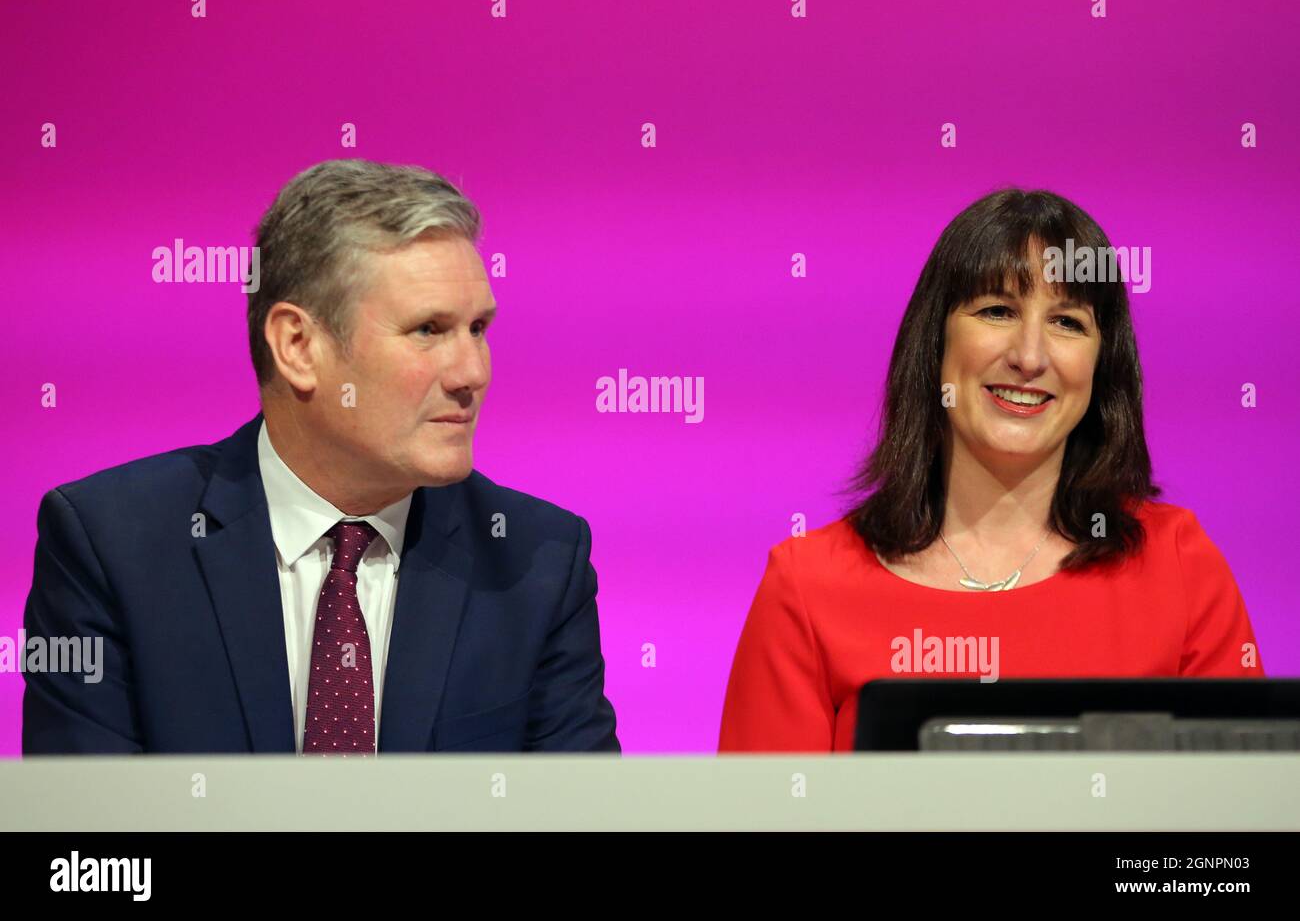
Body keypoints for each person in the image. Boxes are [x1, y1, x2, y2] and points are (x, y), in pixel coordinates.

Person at [24, 159, 620, 754]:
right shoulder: (113, 545)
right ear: (298, 346)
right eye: (428, 330)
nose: (472, 372)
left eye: (478, 328)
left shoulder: (535, 562)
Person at [718, 188, 1265, 752]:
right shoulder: (808, 586)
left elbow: (1235, 825)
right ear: (934, 346)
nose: (1029, 356)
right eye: (997, 311)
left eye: (1068, 322)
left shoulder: (1180, 565)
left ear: (1103, 367)